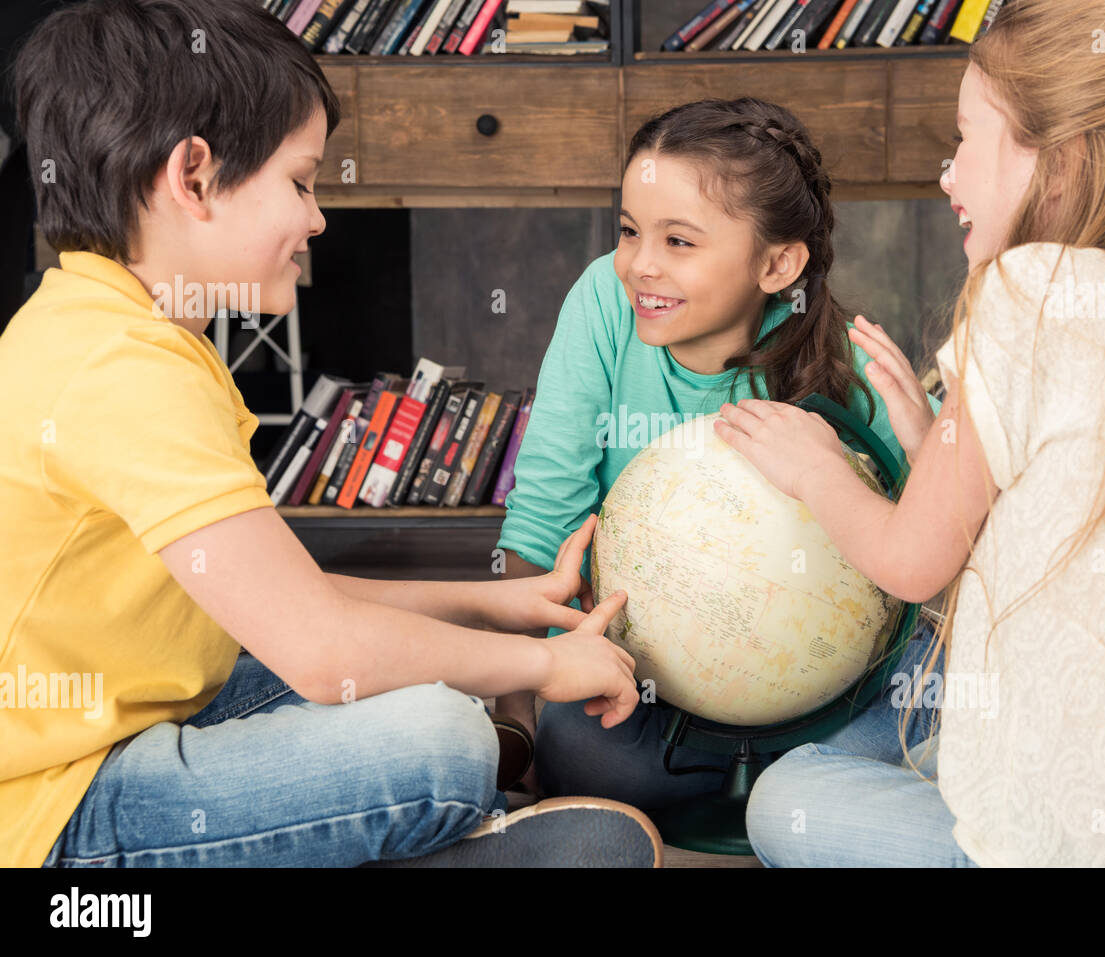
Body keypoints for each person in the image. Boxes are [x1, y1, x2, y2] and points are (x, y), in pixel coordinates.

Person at [0, 0, 659, 868]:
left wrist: (495, 606)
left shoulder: (109, 323)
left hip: (135, 719)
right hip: (55, 811)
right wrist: (542, 668)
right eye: (301, 182)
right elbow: (321, 649)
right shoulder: (123, 368)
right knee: (441, 737)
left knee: (432, 684)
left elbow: (291, 600)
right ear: (192, 177)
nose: (316, 219)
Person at [729, 0, 1105, 866]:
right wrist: (936, 451)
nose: (948, 175)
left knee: (788, 797)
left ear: (1062, 160)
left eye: (964, 140)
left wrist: (817, 470)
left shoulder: (1033, 289)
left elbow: (911, 563)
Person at [495, 95, 942, 808]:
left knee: (914, 703)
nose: (640, 265)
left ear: (778, 264)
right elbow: (543, 516)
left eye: (679, 241)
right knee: (576, 751)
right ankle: (781, 792)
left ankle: (789, 790)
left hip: (819, 691)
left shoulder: (849, 360)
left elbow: (949, 520)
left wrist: (926, 442)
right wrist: (514, 713)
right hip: (648, 689)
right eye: (629, 231)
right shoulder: (604, 302)